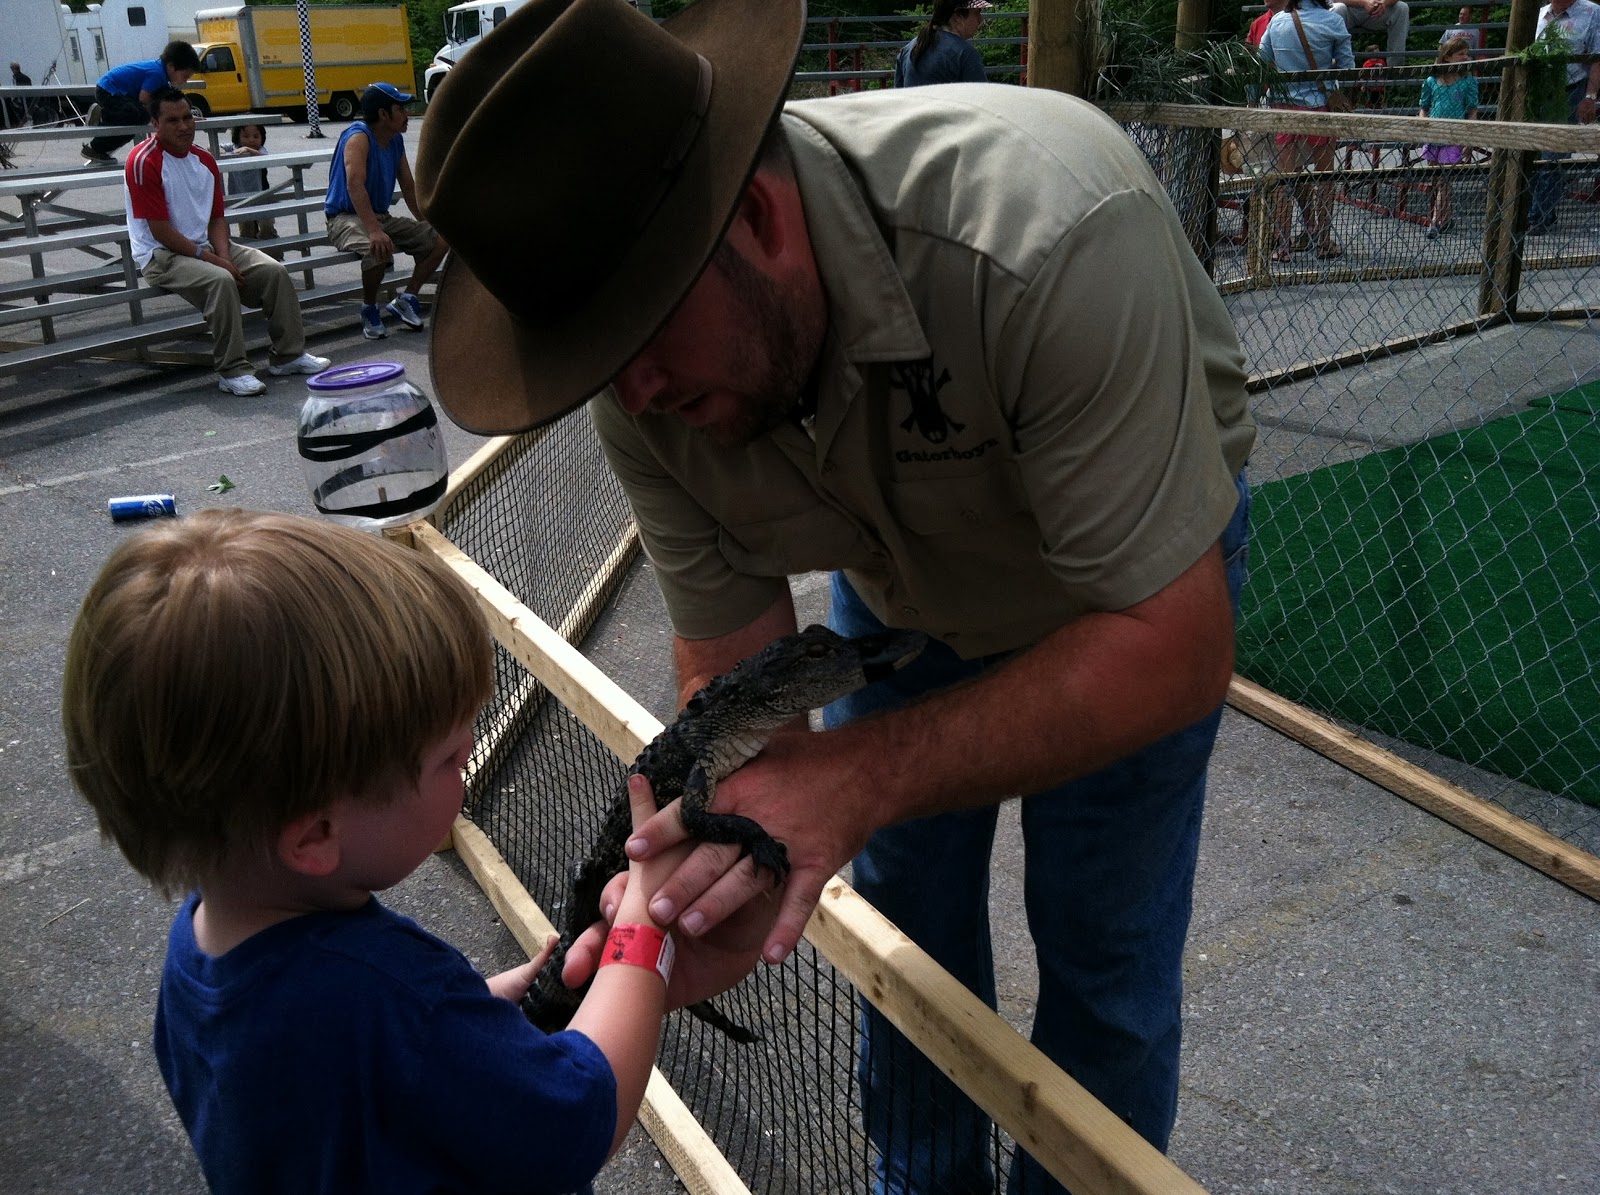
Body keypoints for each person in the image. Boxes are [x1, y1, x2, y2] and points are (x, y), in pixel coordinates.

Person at [414, 1, 1255, 1192]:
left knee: (1102, 958)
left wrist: (854, 780)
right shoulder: (642, 377)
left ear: (757, 218)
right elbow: (736, 680)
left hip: (1116, 596)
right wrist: (720, 860)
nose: (636, 393)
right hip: (903, 601)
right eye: (601, 360)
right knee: (902, 936)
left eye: (644, 334)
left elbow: (1171, 644)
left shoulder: (1049, 232)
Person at [61, 508, 709, 1195]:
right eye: (452, 759)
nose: (467, 768)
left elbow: (341, 1067)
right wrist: (646, 923)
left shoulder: (198, 956)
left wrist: (474, 1015)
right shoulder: (391, 997)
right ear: (314, 836)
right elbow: (582, 1115)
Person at [126, 88, 328, 396]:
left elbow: (216, 218)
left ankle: (289, 355)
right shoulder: (143, 161)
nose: (184, 126)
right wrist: (217, 261)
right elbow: (160, 231)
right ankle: (232, 370)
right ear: (155, 124)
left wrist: (224, 253)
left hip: (204, 246)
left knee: (274, 272)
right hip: (160, 254)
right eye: (172, 121)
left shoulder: (205, 160)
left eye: (187, 117)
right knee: (220, 280)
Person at [323, 80, 449, 340]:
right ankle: (369, 308)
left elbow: (408, 185)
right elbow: (355, 185)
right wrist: (374, 231)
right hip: (344, 218)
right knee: (378, 249)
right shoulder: (358, 136)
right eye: (400, 108)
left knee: (441, 239)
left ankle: (408, 297)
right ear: (383, 114)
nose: (406, 115)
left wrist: (426, 224)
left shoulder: (394, 140)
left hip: (378, 216)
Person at [1259, 0, 1355, 260]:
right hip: (1319, 110)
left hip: (1284, 110)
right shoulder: (1333, 21)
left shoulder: (1277, 21)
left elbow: (1262, 58)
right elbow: (1348, 68)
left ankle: (1283, 245)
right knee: (1324, 177)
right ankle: (1323, 241)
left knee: (1285, 179)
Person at [1527, 0, 1600, 235]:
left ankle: (1540, 214)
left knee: (1554, 153)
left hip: (1571, 88)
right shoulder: (1540, 15)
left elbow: (1598, 58)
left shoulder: (1592, 12)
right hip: (1538, 90)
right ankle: (1531, 210)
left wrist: (1590, 97)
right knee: (1531, 151)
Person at [82, 39, 199, 163]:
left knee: (137, 123)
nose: (185, 81)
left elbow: (166, 100)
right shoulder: (157, 73)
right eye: (185, 76)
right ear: (171, 66)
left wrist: (186, 117)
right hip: (108, 90)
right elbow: (144, 98)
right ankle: (99, 128)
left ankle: (100, 144)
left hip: (118, 92)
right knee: (138, 116)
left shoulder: (162, 75)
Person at [1418, 36, 1479, 238]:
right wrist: (1423, 126)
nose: (1465, 57)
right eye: (1460, 54)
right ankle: (1446, 216)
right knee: (1437, 178)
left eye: (1466, 54)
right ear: (1447, 57)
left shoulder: (1467, 81)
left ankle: (1435, 221)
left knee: (1445, 178)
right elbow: (1424, 107)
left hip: (1455, 133)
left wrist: (1468, 138)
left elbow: (1472, 110)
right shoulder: (1431, 81)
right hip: (1434, 133)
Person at [893, 0, 991, 88]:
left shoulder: (908, 50)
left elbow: (899, 96)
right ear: (958, 17)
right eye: (977, 13)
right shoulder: (965, 54)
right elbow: (981, 100)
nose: (981, 20)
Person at [220, 121, 278, 248]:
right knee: (246, 231)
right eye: (246, 136)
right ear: (237, 137)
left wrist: (248, 150)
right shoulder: (234, 147)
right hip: (240, 199)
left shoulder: (260, 150)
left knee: (267, 228)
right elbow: (212, 146)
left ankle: (275, 255)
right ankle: (251, 257)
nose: (251, 140)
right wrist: (221, 150)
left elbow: (265, 157)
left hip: (262, 196)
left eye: (256, 136)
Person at [1330, 0, 1410, 69]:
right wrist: (1363, 2)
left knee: (1402, 8)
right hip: (1348, 11)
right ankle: (1332, 68)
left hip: (1377, 11)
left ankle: (1395, 71)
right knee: (1337, 8)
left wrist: (1384, 3)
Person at [8, 62, 32, 127]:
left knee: (21, 112)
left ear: (13, 69)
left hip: (22, 100)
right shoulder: (26, 77)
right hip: (28, 98)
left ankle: (22, 123)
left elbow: (16, 88)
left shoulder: (17, 78)